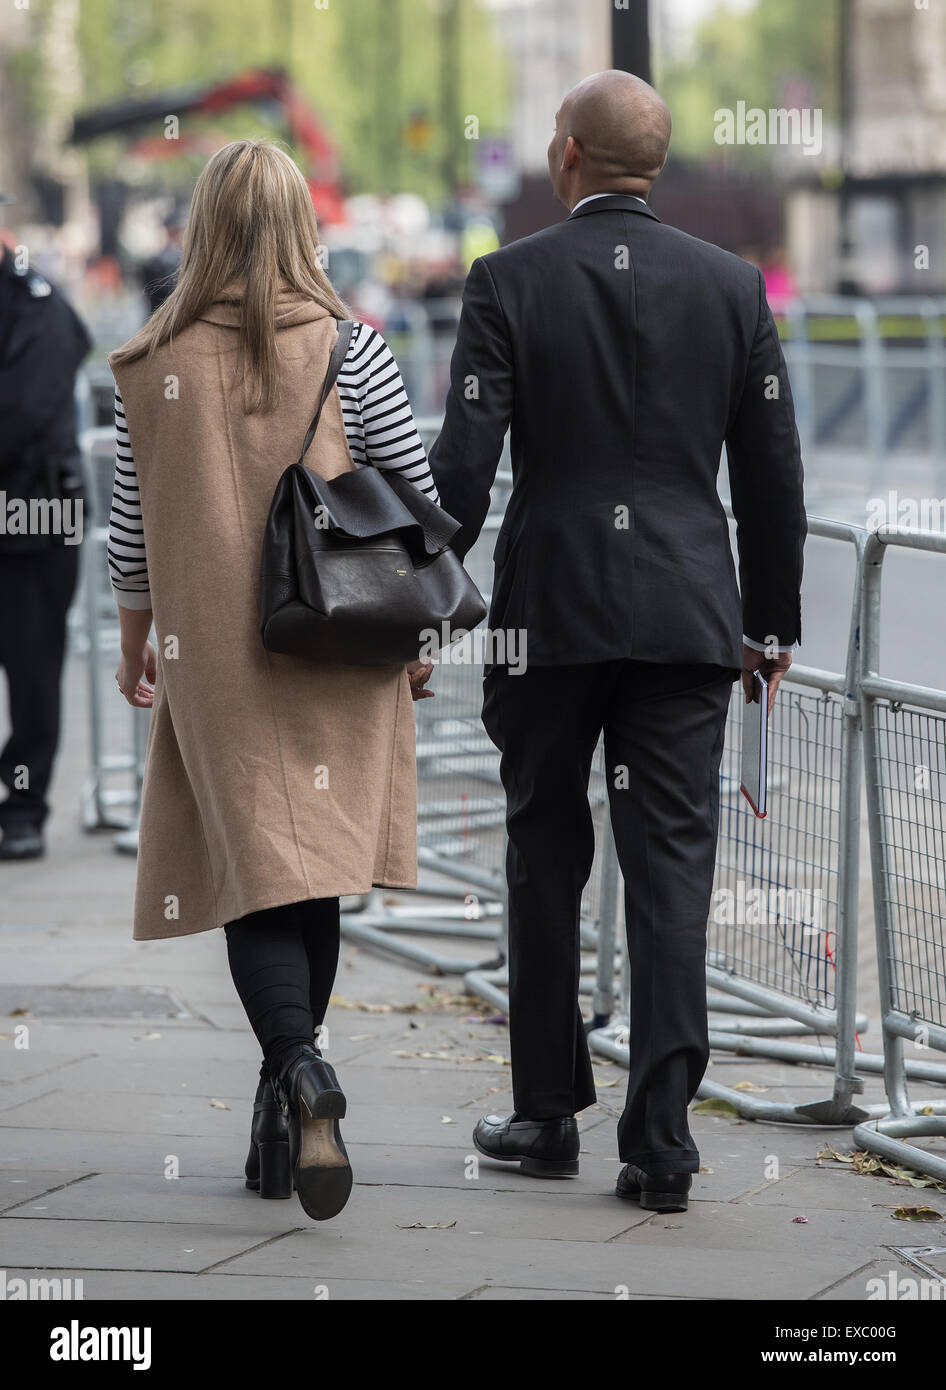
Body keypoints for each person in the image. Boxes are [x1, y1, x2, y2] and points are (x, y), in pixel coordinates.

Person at [429, 71, 806, 1213]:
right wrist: (768, 622)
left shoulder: (509, 281)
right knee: (671, 875)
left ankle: (546, 1113)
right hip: (686, 620)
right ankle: (663, 1144)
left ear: (567, 160)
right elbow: (773, 476)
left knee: (545, 856)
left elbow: (459, 471)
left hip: (548, 614)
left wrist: (421, 606)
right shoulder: (733, 286)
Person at [108, 140, 437, 1222]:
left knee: (255, 869)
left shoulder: (151, 361)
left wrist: (135, 637)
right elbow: (411, 502)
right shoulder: (356, 348)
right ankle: (297, 1084)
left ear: (201, 226)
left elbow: (130, 533)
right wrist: (421, 640)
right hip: (339, 645)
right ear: (304, 225)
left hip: (215, 651)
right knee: (317, 870)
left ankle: (297, 1077)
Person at [0, 224, 91, 861]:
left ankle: (24, 807)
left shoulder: (35, 303)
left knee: (32, 670)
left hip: (32, 518)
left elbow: (22, 409)